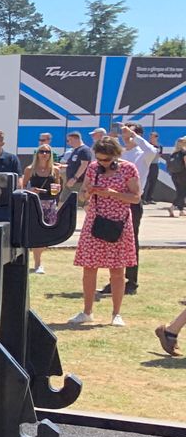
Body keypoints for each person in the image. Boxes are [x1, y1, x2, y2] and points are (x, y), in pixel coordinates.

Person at [69, 136, 139, 327]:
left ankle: (116, 314)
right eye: (99, 159)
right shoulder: (92, 168)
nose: (102, 163)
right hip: (95, 222)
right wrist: (88, 192)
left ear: (116, 156)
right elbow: (83, 195)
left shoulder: (128, 168)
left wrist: (112, 193)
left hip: (118, 223)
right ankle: (87, 311)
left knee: (117, 270)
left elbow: (136, 198)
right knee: (89, 268)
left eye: (106, 160)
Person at [100, 124, 158, 297]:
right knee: (113, 240)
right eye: (124, 131)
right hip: (116, 200)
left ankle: (131, 281)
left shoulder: (143, 154)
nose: (125, 134)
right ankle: (114, 280)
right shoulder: (121, 154)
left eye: (129, 131)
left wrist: (134, 135)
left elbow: (152, 150)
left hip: (132, 201)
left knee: (131, 242)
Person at [21, 146, 60, 274]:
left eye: (47, 152)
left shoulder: (55, 170)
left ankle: (37, 258)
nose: (44, 154)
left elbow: (57, 187)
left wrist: (56, 190)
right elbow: (21, 188)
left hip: (50, 204)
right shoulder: (30, 169)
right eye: (41, 151)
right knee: (37, 233)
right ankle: (38, 264)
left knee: (47, 234)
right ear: (37, 154)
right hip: (35, 204)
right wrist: (31, 190)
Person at [167, 137, 186, 217]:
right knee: (182, 193)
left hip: (174, 174)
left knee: (179, 191)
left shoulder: (174, 153)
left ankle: (181, 210)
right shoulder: (184, 152)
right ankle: (172, 207)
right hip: (183, 174)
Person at [143, 130, 163, 203]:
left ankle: (149, 198)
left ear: (156, 138)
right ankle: (143, 198)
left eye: (153, 137)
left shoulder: (159, 146)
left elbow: (160, 154)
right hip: (147, 164)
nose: (151, 139)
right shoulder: (148, 145)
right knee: (146, 181)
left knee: (153, 181)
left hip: (155, 164)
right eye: (150, 137)